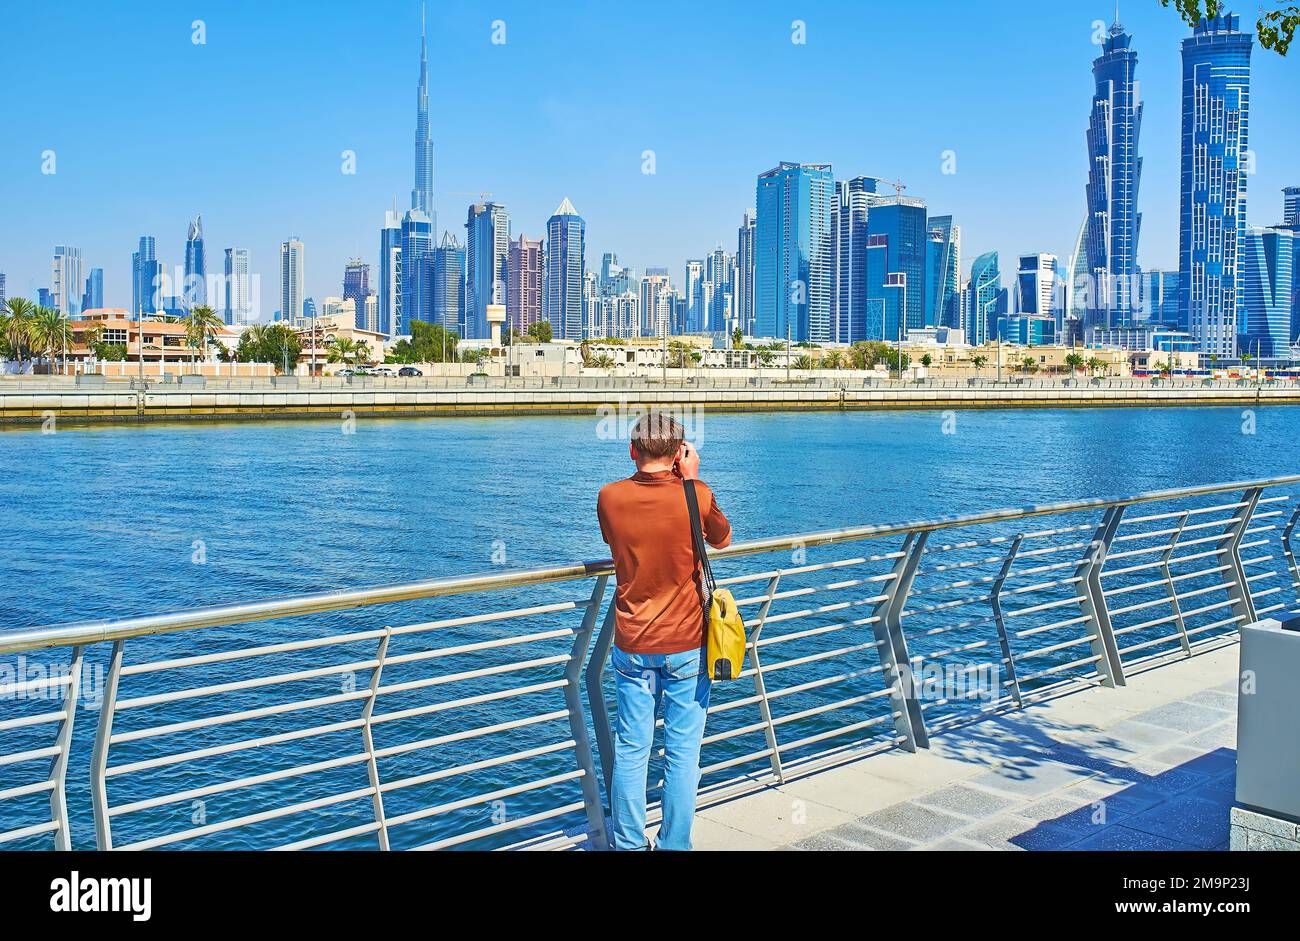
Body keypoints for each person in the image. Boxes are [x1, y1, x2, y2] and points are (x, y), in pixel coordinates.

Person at [596, 411, 732, 850]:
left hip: (633, 642)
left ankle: (629, 844)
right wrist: (691, 480)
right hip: (688, 643)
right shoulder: (696, 493)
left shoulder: (610, 497)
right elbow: (723, 537)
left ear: (632, 450)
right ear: (679, 453)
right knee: (681, 754)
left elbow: (612, 542)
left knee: (632, 751)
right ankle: (675, 844)